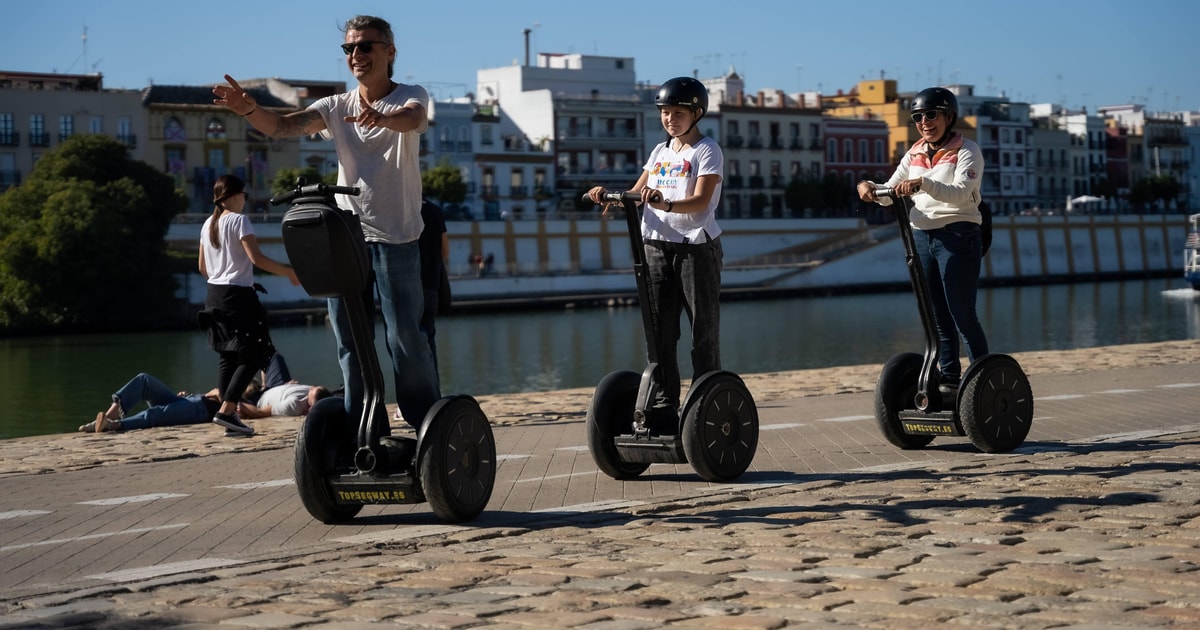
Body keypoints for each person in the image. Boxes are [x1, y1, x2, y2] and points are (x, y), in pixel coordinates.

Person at [213, 15, 440, 431]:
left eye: (365, 46)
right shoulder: (336, 107)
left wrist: (383, 119)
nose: (356, 55)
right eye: (349, 48)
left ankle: (424, 419)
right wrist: (247, 108)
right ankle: (362, 422)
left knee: (406, 339)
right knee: (350, 343)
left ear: (389, 52)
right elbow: (283, 126)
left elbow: (411, 118)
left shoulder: (411, 95)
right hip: (344, 242)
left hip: (397, 237)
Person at [586, 76, 725, 428]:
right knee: (659, 331)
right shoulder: (660, 152)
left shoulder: (706, 150)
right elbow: (637, 193)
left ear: (696, 113)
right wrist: (609, 196)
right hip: (655, 247)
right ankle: (664, 404)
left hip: (696, 248)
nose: (670, 119)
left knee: (701, 334)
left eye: (678, 112)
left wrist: (665, 202)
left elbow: (701, 202)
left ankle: (705, 403)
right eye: (665, 112)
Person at [856, 86, 987, 396]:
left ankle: (983, 375)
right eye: (918, 117)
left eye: (932, 115)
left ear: (949, 116)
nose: (925, 122)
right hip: (921, 235)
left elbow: (959, 195)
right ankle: (951, 379)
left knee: (961, 312)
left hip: (958, 235)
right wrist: (869, 187)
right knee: (936, 313)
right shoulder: (914, 152)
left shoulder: (967, 150)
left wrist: (924, 183)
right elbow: (891, 192)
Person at [197, 174, 300, 436]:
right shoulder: (239, 220)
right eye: (244, 195)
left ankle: (228, 416)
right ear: (233, 196)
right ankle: (228, 411)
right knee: (259, 352)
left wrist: (224, 279)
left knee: (228, 356)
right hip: (238, 298)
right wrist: (288, 272)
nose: (245, 200)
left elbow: (202, 267)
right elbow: (256, 258)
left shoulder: (208, 223)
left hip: (214, 295)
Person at [78, 373, 222, 433]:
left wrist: (212, 393)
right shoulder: (236, 385)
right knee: (144, 380)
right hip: (191, 401)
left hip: (201, 411)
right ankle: (107, 418)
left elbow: (221, 395)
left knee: (155, 414)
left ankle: (112, 426)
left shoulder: (242, 399)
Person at [418, 199, 450, 369]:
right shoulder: (435, 210)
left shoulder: (403, 208)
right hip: (431, 283)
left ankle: (414, 390)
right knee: (429, 338)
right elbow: (445, 251)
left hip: (406, 283)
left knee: (406, 340)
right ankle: (433, 389)